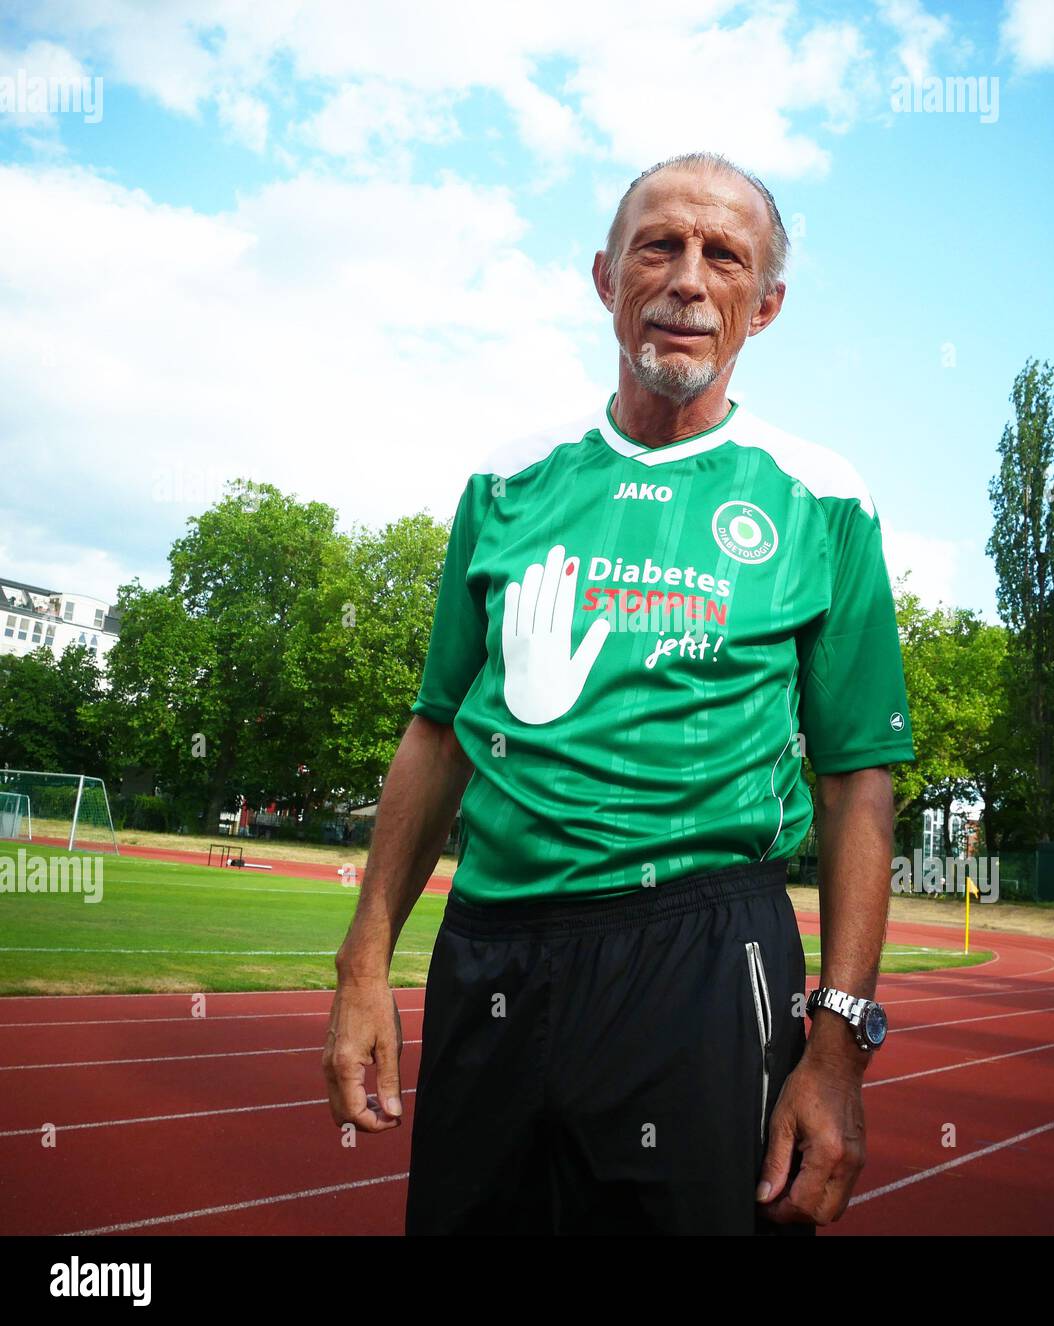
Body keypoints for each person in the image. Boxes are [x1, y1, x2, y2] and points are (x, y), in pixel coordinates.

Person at [323, 151, 915, 1235]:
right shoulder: (507, 480)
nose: (688, 279)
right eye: (659, 245)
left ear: (764, 304)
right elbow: (436, 733)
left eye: (722, 255)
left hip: (697, 955)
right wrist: (366, 965)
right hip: (489, 949)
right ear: (606, 277)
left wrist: (835, 1050)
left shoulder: (823, 497)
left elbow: (852, 785)